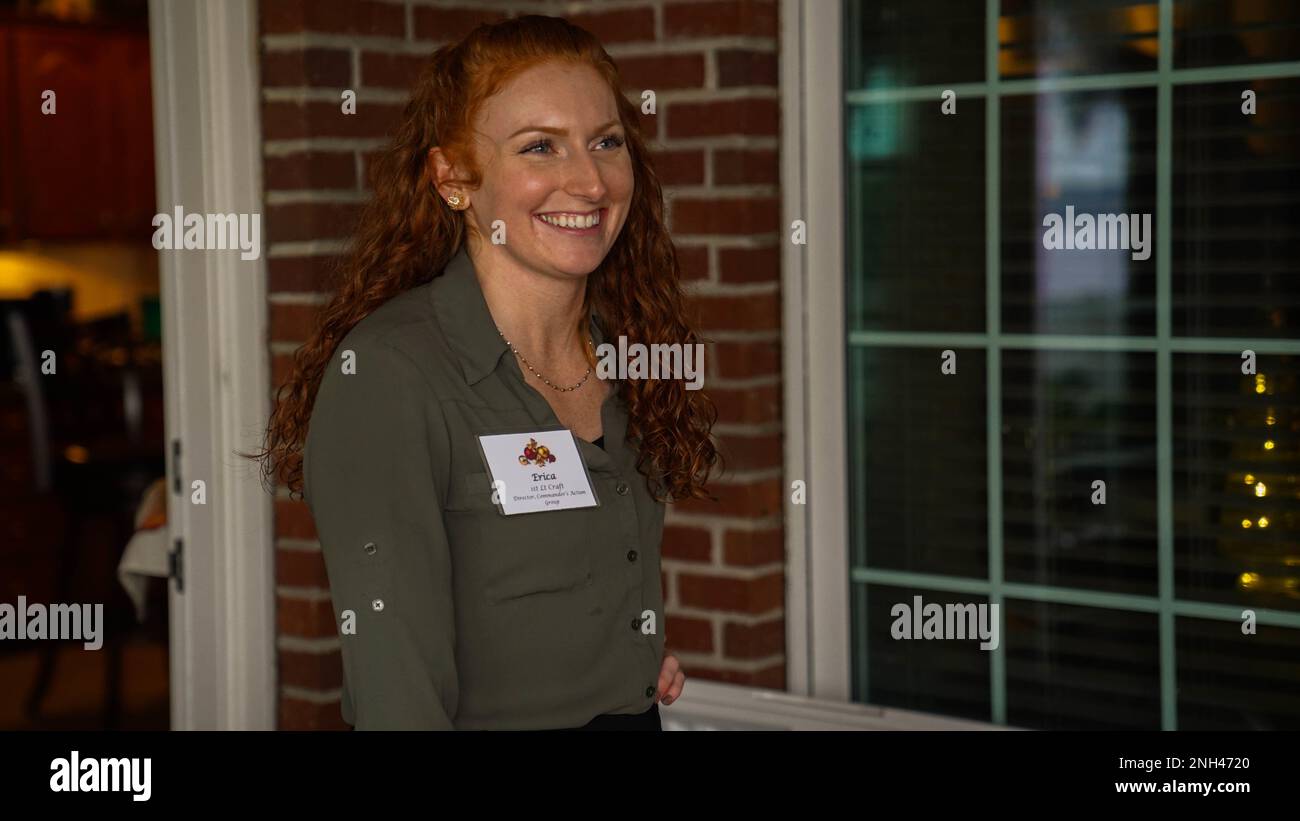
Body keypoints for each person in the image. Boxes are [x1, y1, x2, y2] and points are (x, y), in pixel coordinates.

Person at [254, 15, 719, 730]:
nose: (589, 180)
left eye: (606, 141)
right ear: (454, 179)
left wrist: (621, 654)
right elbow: (396, 696)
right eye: (541, 146)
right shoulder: (389, 376)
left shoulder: (628, 350)